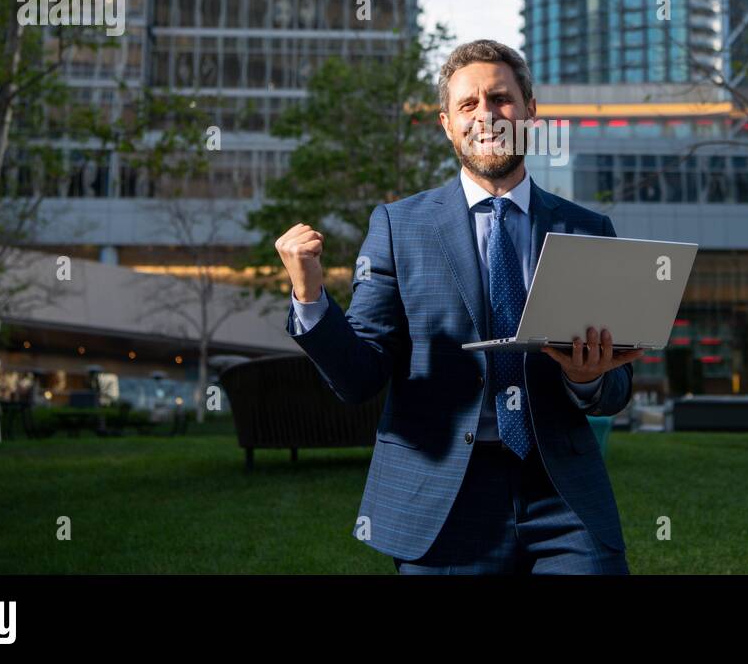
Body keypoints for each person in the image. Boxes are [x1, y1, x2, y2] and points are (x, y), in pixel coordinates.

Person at [274, 39, 642, 574]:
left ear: (530, 111)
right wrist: (310, 297)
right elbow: (359, 377)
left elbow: (616, 391)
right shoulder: (399, 227)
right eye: (468, 105)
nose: (486, 114)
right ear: (447, 124)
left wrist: (588, 379)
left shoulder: (588, 230)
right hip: (442, 496)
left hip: (562, 493)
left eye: (500, 98)